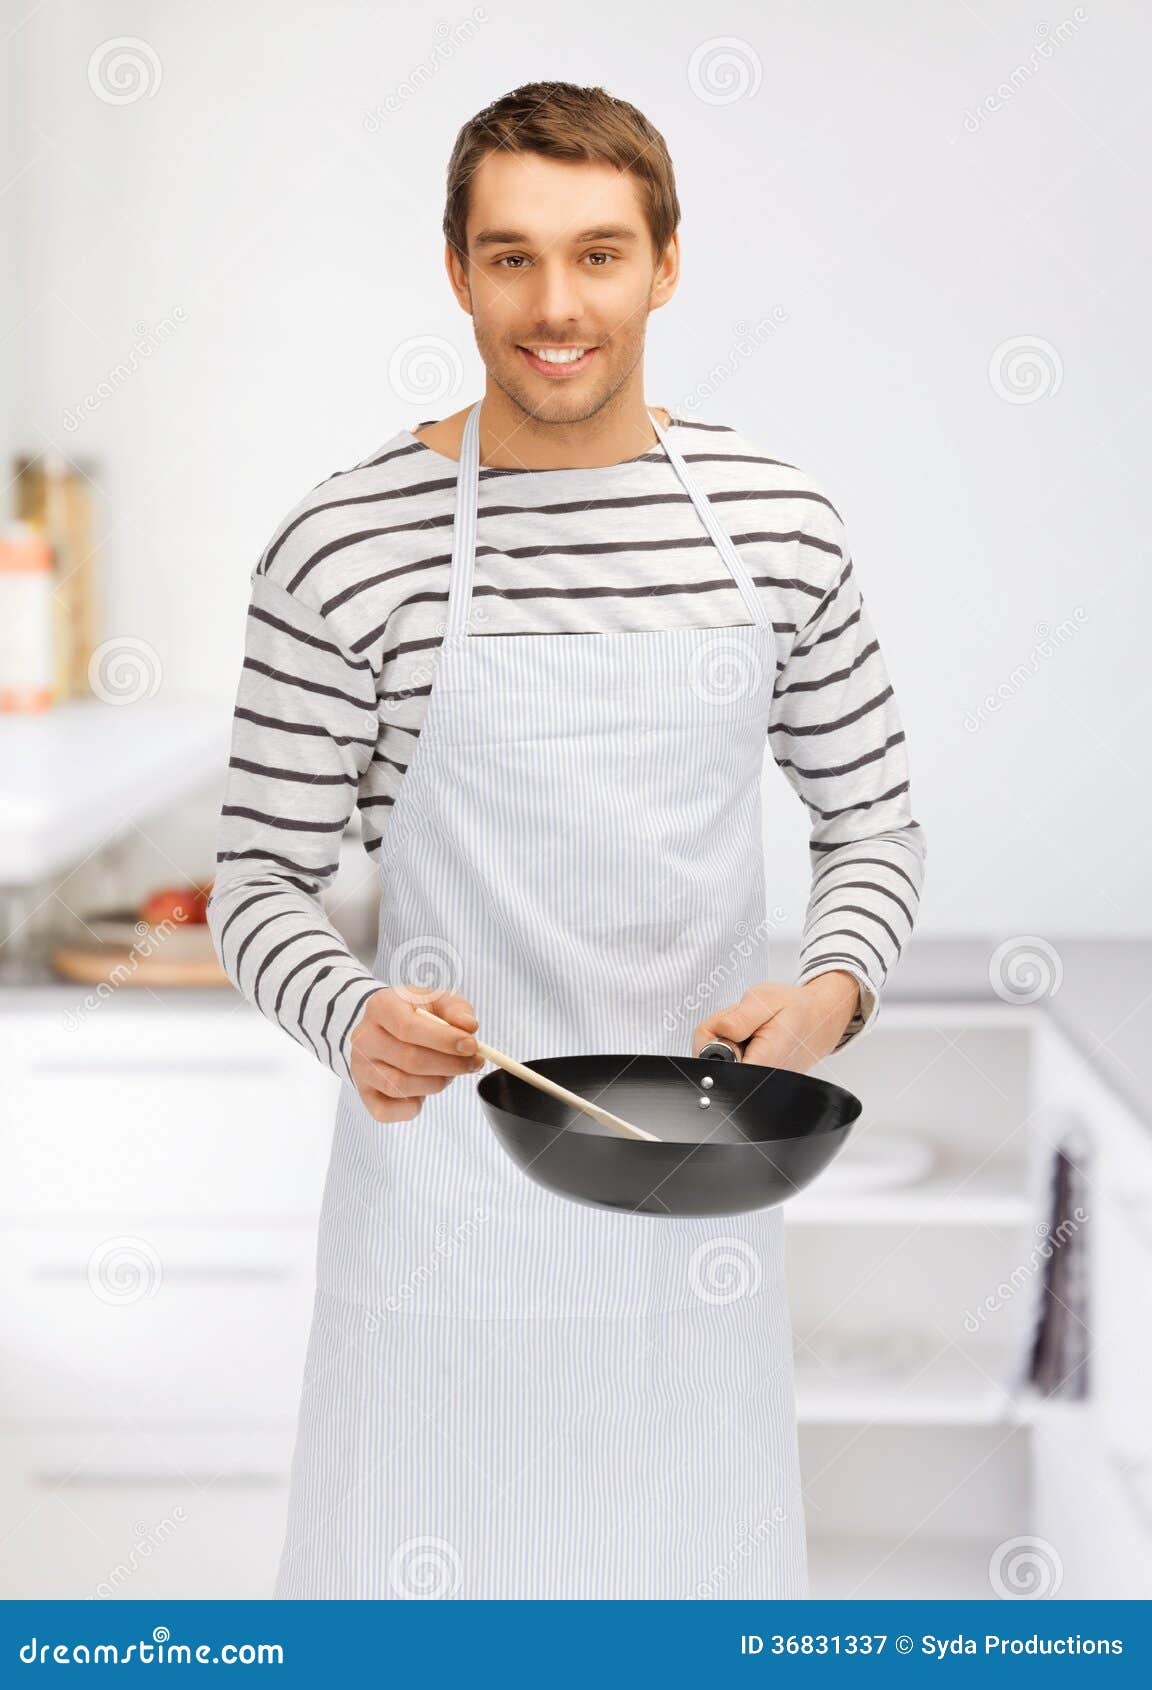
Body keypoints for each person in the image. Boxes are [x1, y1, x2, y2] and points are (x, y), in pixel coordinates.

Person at [207, 80, 927, 1600]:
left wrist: (831, 992)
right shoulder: (343, 544)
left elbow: (870, 819)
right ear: (457, 271)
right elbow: (259, 878)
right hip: (444, 1235)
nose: (555, 305)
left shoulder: (779, 523)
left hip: (694, 1232)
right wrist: (353, 1014)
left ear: (666, 264)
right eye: (511, 256)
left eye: (599, 253)